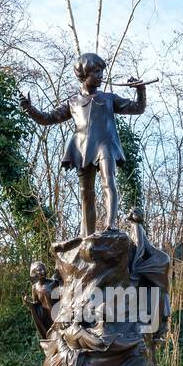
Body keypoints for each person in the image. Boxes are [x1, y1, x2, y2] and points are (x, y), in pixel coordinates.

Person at [20, 52, 147, 237]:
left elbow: (138, 108)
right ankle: (87, 236)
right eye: (96, 71)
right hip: (82, 148)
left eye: (102, 71)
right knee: (86, 193)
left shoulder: (109, 99)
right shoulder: (73, 102)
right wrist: (29, 109)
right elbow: (47, 118)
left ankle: (110, 225)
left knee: (109, 181)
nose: (101, 75)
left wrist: (141, 90)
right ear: (84, 74)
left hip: (105, 144)